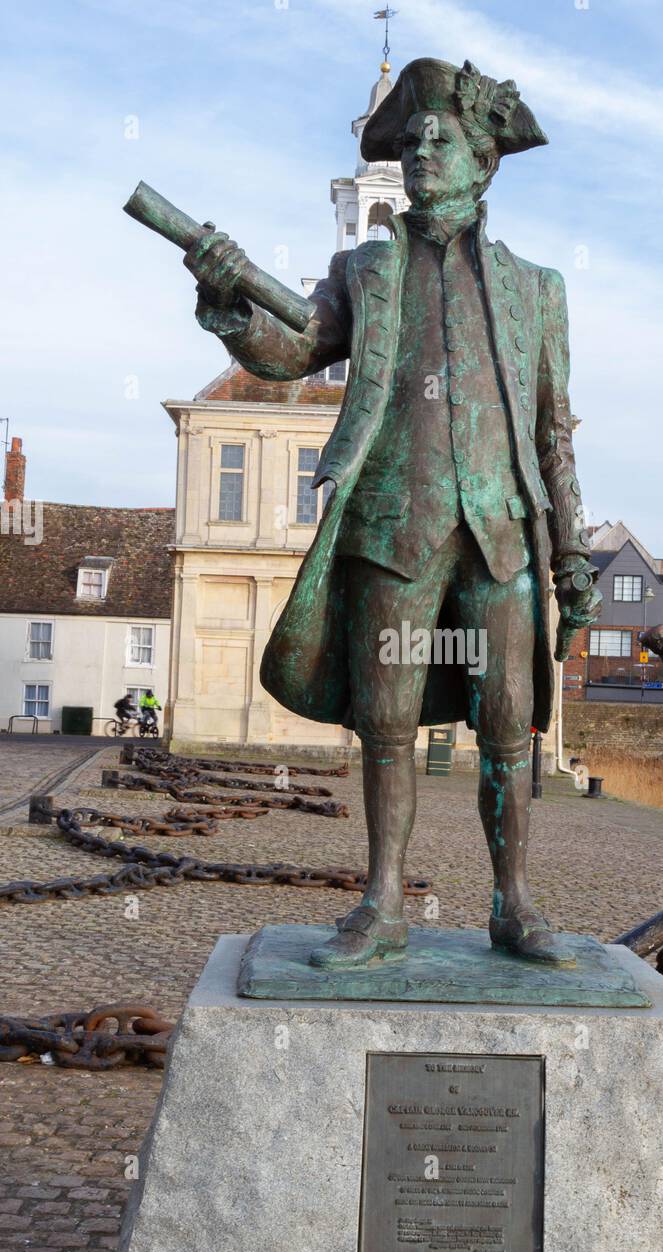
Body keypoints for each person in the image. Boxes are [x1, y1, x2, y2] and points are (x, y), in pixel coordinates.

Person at [183, 57, 602, 970]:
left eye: (439, 138)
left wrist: (572, 556)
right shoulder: (363, 269)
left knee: (508, 725)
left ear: (484, 160)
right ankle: (381, 903)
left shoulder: (537, 289)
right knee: (385, 721)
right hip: (390, 529)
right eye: (410, 141)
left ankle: (514, 903)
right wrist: (227, 302)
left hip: (500, 534)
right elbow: (292, 348)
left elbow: (553, 431)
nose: (420, 152)